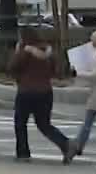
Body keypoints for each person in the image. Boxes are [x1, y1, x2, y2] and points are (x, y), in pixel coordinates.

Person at [9, 30, 75, 162]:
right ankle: (66, 144)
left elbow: (13, 67)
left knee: (20, 123)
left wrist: (17, 52)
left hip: (26, 91)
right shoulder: (48, 51)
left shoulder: (24, 51)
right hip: (45, 91)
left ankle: (23, 153)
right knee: (44, 124)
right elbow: (55, 70)